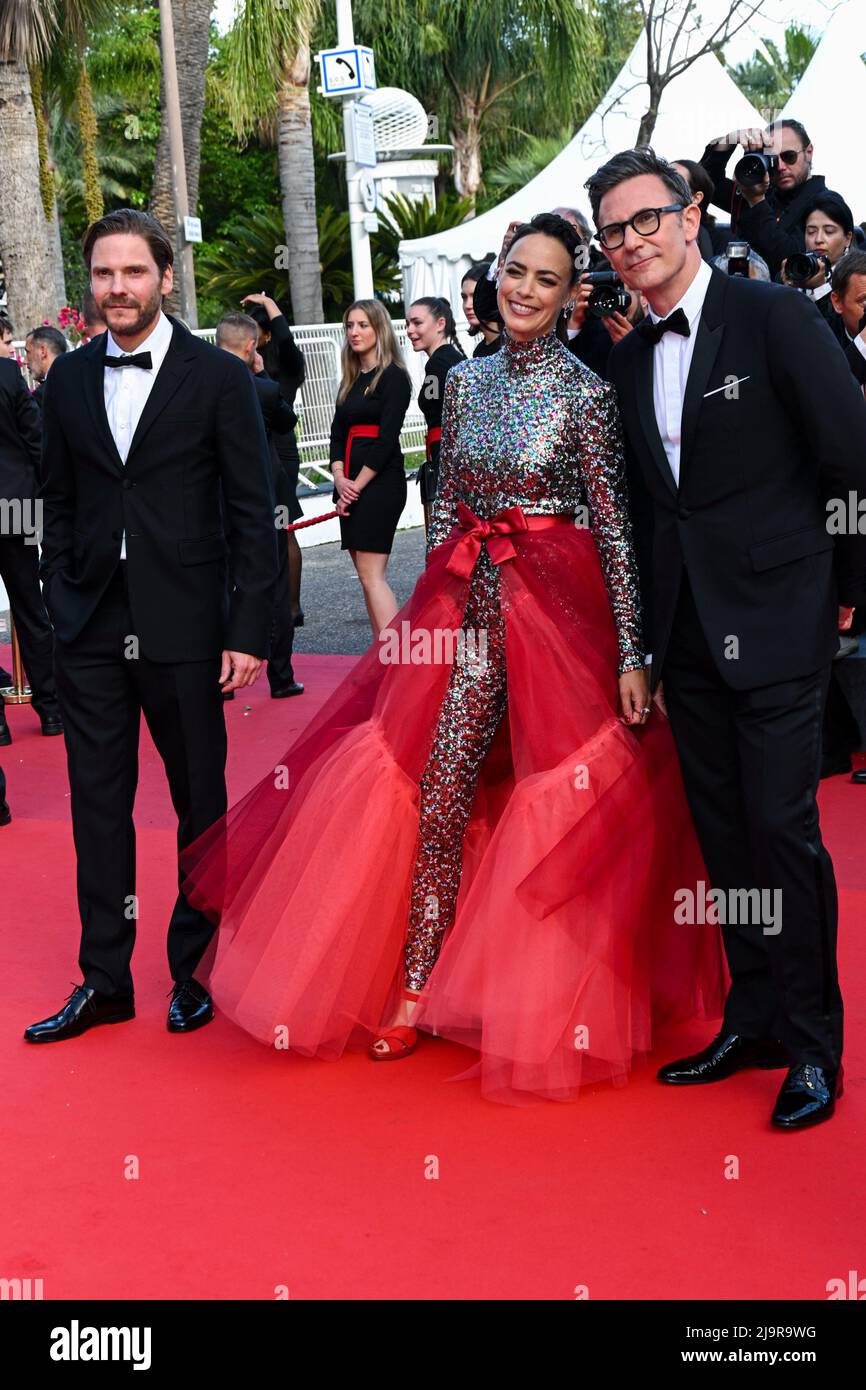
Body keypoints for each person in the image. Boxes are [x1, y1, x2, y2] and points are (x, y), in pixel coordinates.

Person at [179, 211, 724, 1106]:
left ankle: (549, 1000)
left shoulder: (588, 396)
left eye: (547, 280)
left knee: (557, 797)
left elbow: (617, 529)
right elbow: (447, 507)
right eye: (517, 271)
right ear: (494, 275)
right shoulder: (463, 386)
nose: (526, 290)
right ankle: (416, 983)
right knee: (437, 788)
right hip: (463, 607)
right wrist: (435, 609)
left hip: (561, 617)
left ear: (570, 295)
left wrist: (632, 650)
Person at [588, 146, 866, 1129]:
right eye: (613, 230)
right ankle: (749, 1014)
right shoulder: (625, 356)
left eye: (645, 219)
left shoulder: (774, 317)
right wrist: (645, 645)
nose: (630, 242)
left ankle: (812, 1043)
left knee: (782, 831)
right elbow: (646, 507)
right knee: (724, 840)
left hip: (782, 623)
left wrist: (843, 590)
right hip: (687, 637)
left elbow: (851, 462)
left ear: (692, 211)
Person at [25, 208, 278, 1045]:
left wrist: (249, 631)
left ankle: (196, 970)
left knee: (197, 801)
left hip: (188, 623)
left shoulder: (217, 377)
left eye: (134, 273)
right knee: (97, 805)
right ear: (89, 285)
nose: (118, 289)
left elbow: (253, 514)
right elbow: (59, 501)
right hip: (92, 621)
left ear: (166, 279)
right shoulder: (64, 381)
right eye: (103, 274)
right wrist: (60, 597)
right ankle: (104, 980)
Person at [215, 310, 303, 700]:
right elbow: (288, 422)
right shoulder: (263, 390)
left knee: (219, 584)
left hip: (215, 499)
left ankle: (222, 680)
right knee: (275, 585)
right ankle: (281, 677)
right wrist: (264, 375)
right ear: (252, 347)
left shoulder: (201, 384)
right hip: (265, 496)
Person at [329, 300, 412, 637]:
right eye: (350, 325)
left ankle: (401, 665)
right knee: (365, 578)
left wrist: (355, 487)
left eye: (363, 325)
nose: (354, 332)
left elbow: (386, 441)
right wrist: (339, 479)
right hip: (348, 484)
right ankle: (384, 661)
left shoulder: (394, 377)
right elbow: (336, 434)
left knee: (372, 575)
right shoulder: (350, 379)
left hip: (378, 485)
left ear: (379, 329)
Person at [0, 351, 63, 745]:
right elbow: (36, 438)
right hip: (17, 504)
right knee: (31, 606)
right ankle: (52, 708)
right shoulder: (7, 372)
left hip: (18, 502)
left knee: (31, 607)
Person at [698, 119, 843, 278]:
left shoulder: (826, 203)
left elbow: (790, 257)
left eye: (789, 156)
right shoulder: (759, 191)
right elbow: (704, 184)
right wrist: (730, 140)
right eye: (773, 159)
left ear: (809, 152)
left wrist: (757, 202)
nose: (780, 167)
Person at [242, 293, 306, 628]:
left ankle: (292, 607)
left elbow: (285, 335)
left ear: (266, 336)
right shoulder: (241, 365)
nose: (249, 339)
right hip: (252, 449)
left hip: (280, 449)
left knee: (284, 528)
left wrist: (269, 305)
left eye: (256, 332)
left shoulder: (286, 366)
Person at [405, 296, 465, 532]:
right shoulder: (449, 360)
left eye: (417, 323)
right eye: (408, 323)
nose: (410, 330)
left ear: (440, 324)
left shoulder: (440, 364)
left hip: (447, 460)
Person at [780, 193, 855, 332]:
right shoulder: (789, 273)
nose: (818, 239)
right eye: (811, 231)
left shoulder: (857, 279)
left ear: (847, 238)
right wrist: (786, 292)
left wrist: (820, 290)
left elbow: (839, 340)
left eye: (829, 231)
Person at [673, 159, 725, 261]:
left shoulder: (722, 242)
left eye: (675, 182)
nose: (665, 187)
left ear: (696, 198)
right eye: (663, 180)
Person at [460, 261, 502, 357]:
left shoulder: (511, 347)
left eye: (475, 296)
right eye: (464, 297)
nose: (467, 305)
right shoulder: (479, 351)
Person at [25, 326, 68, 408]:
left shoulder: (43, 395)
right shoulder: (80, 381)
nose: (25, 361)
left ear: (42, 351)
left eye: (28, 352)